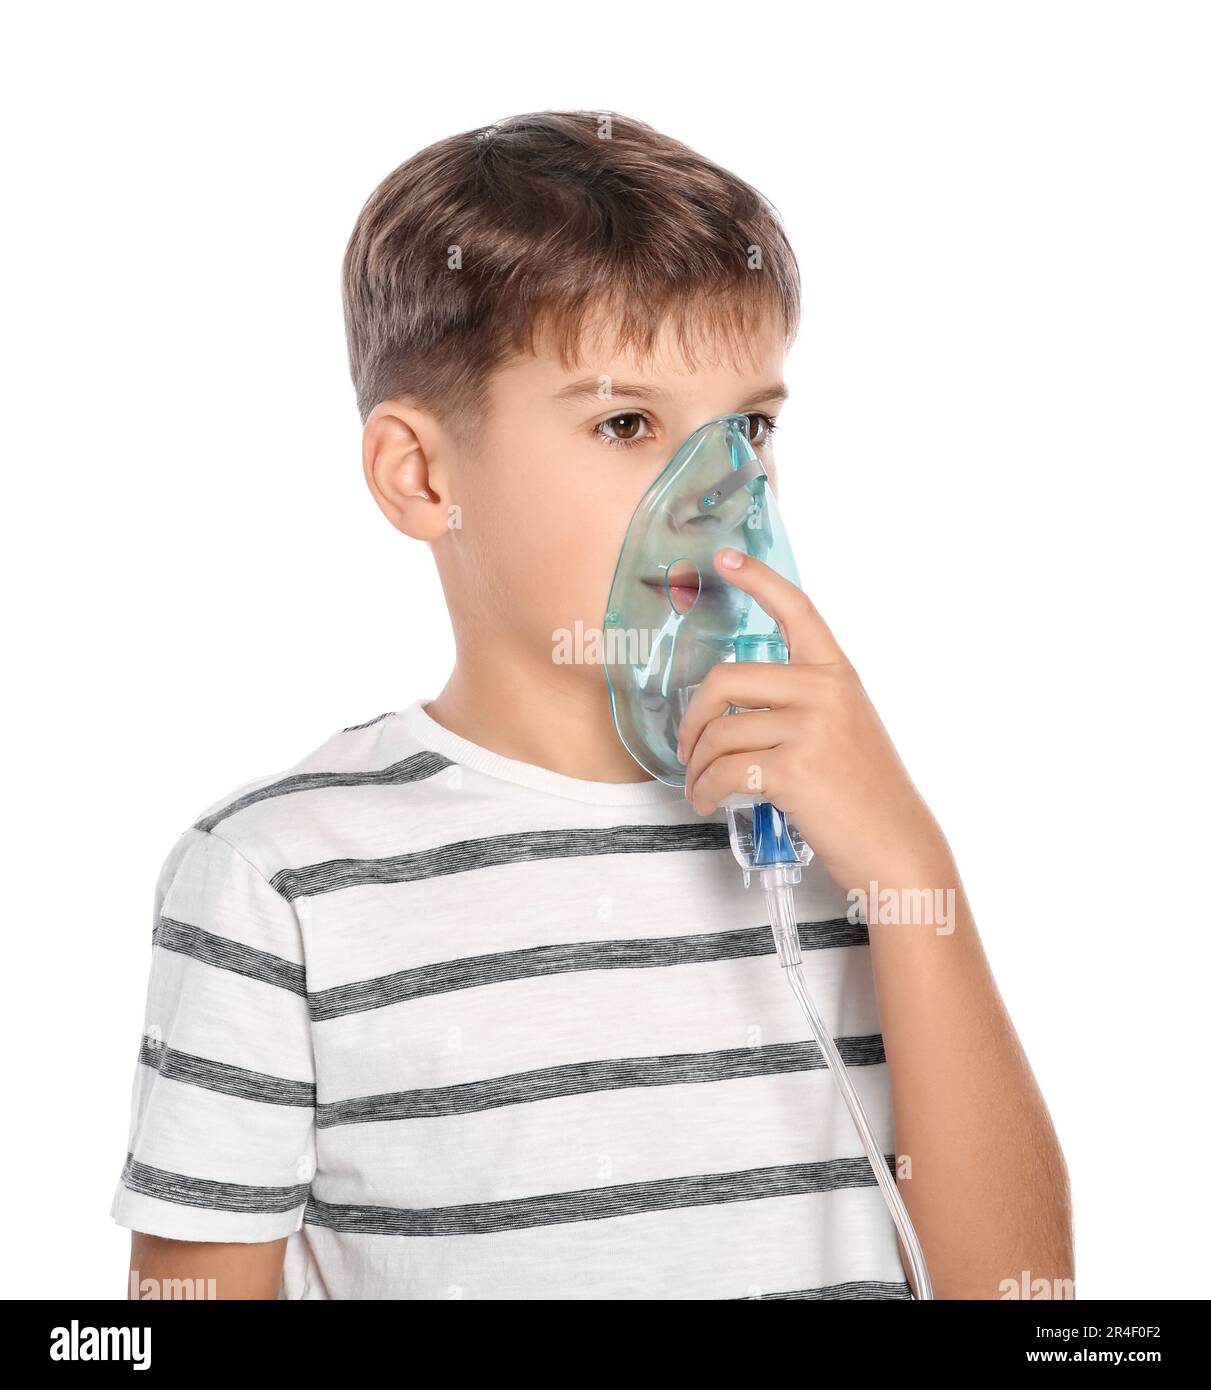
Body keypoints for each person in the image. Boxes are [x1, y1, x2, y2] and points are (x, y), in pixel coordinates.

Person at [111, 110, 1073, 1300]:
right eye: (627, 423)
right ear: (421, 475)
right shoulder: (282, 879)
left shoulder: (835, 835)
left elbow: (1027, 1303)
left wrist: (907, 864)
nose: (719, 490)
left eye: (748, 428)